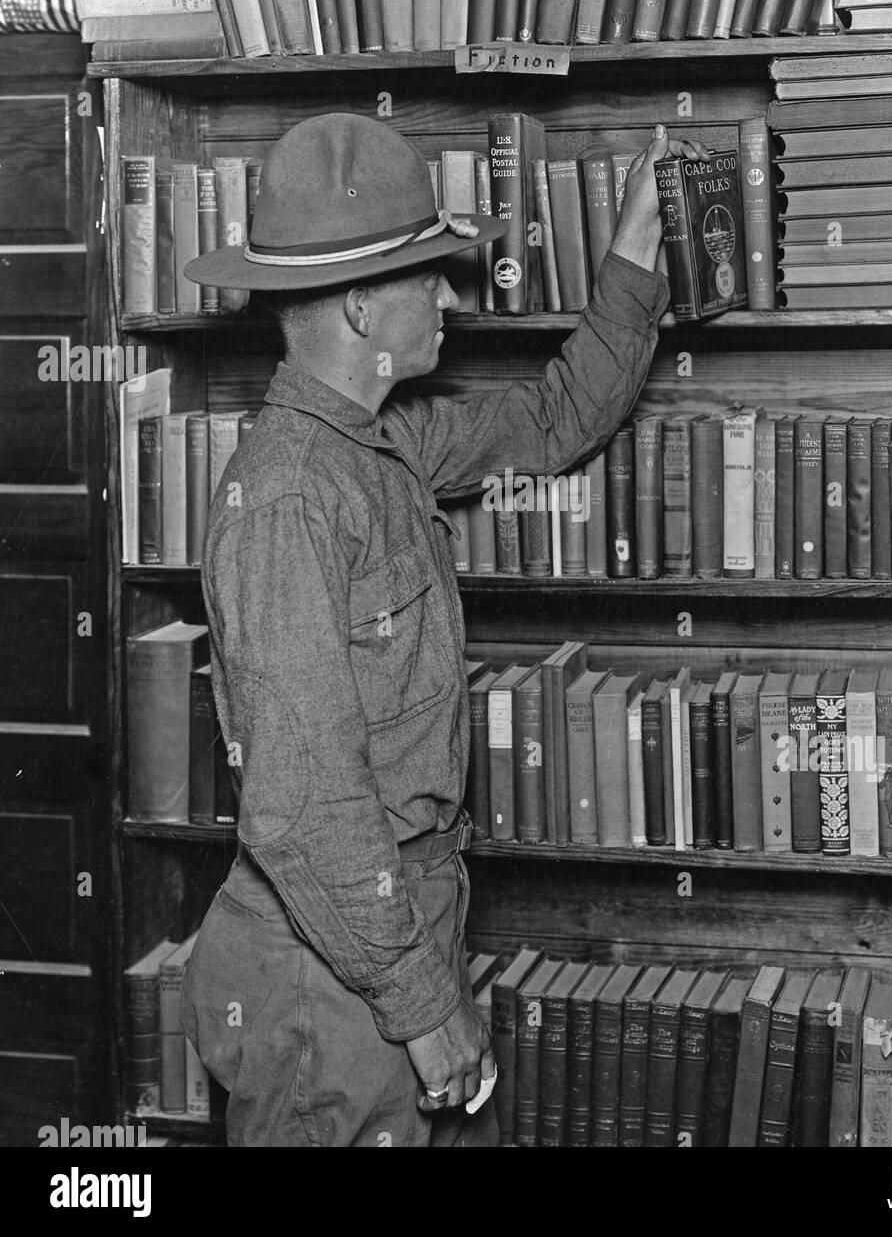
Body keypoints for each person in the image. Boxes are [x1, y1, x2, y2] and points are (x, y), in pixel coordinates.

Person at [179, 111, 708, 1146]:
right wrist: (421, 1009)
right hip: (324, 973)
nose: (455, 299)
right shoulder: (289, 496)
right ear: (364, 307)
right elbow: (302, 805)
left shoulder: (382, 448)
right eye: (430, 276)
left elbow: (558, 416)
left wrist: (637, 250)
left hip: (385, 925)